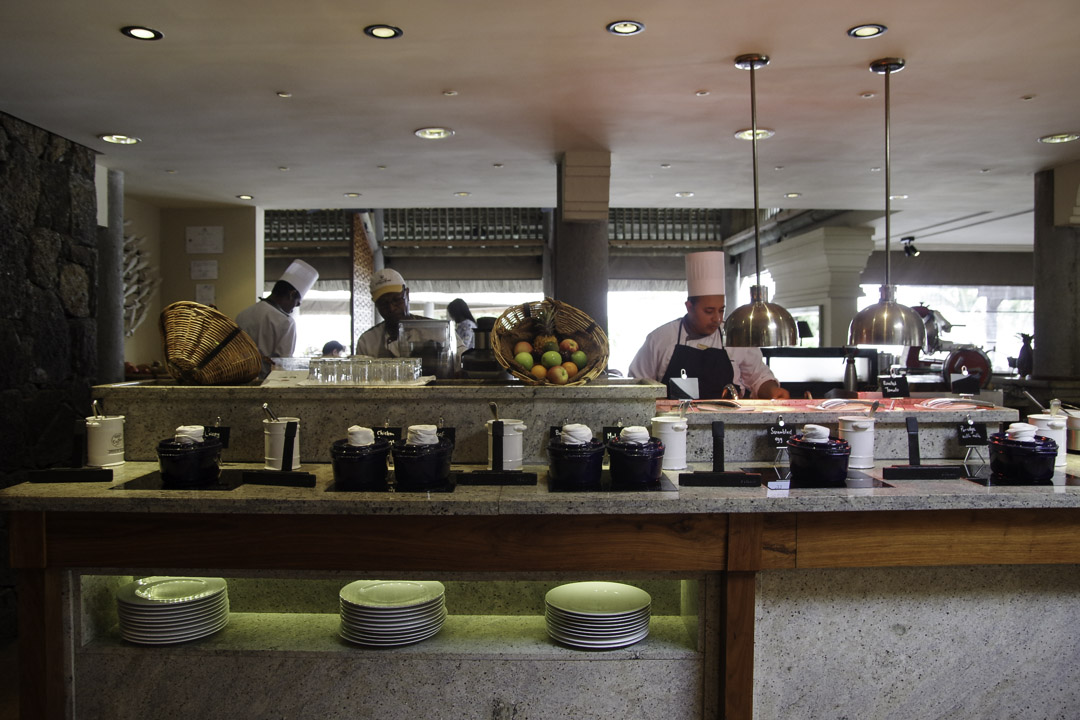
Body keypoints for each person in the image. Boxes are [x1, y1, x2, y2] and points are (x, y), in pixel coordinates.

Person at [628, 251, 789, 400]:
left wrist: (773, 391)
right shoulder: (660, 338)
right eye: (709, 311)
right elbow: (638, 385)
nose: (717, 319)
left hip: (727, 423)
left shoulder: (734, 335)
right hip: (673, 426)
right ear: (689, 307)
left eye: (721, 310)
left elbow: (758, 377)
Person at [236, 259, 319, 375]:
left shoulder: (243, 314)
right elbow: (284, 365)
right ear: (291, 294)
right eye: (297, 303)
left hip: (240, 380)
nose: (294, 308)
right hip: (268, 383)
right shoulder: (285, 322)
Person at [354, 268, 429, 357]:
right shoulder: (367, 341)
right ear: (376, 305)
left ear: (407, 294)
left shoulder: (433, 332)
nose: (391, 308)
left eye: (397, 300)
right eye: (383, 303)